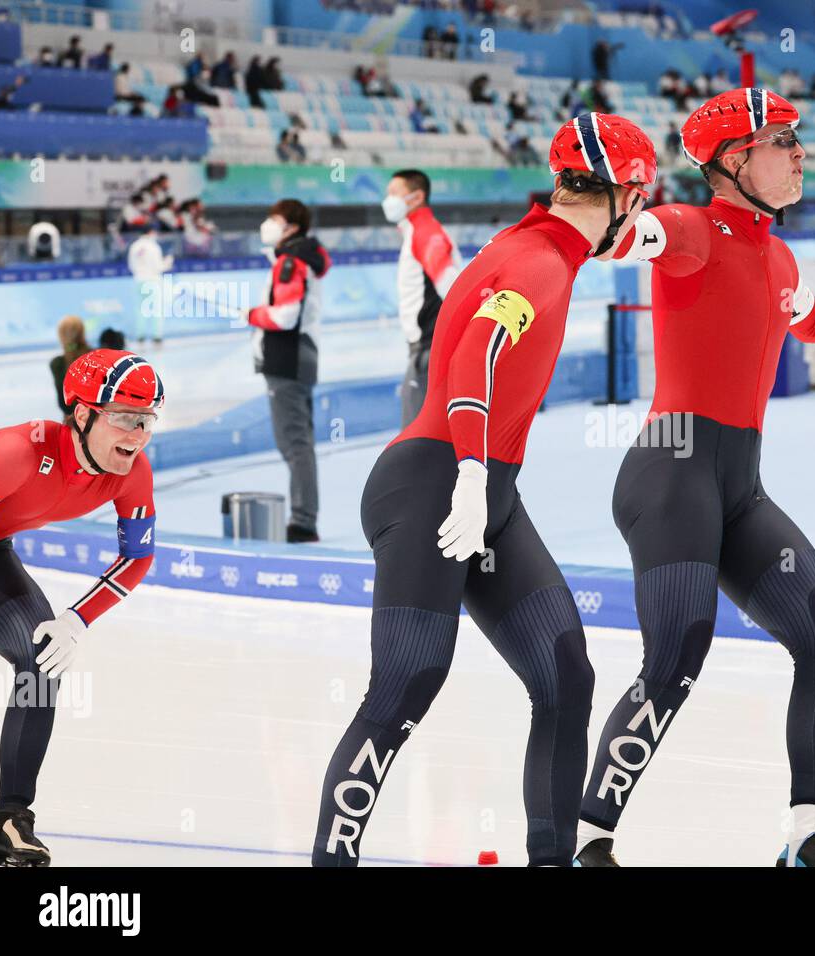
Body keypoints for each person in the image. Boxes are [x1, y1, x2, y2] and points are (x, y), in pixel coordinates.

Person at [572, 88, 815, 868]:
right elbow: (628, 238)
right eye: (784, 140)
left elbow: (811, 322)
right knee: (677, 655)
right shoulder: (690, 227)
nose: (800, 152)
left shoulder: (776, 252)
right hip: (671, 473)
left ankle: (807, 832)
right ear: (733, 160)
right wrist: (607, 220)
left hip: (738, 486)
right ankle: (588, 839)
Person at [310, 113, 656, 868]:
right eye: (640, 201)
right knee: (405, 685)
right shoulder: (536, 261)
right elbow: (473, 358)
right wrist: (471, 471)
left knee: (566, 676)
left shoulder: (544, 246)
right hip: (437, 481)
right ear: (625, 194)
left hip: (481, 489)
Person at [0, 349, 164, 866]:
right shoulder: (20, 452)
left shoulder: (131, 472)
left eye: (147, 421)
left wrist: (75, 619)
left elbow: (139, 554)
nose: (136, 436)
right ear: (83, 415)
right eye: (125, 420)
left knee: (40, 659)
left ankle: (11, 821)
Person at [247, 200, 330, 543]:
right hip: (298, 356)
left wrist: (250, 315)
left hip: (287, 358)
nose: (267, 224)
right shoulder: (301, 259)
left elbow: (284, 316)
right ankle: (304, 516)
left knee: (294, 443)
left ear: (292, 226)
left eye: (274, 219)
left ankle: (303, 521)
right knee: (298, 442)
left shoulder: (290, 262)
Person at [383, 169, 460, 426]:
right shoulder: (417, 231)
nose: (388, 200)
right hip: (427, 348)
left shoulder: (425, 232)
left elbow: (451, 285)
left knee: (416, 434)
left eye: (394, 193)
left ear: (416, 197)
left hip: (430, 348)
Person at [48, 315, 92, 415]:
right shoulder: (98, 357)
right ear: (83, 333)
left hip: (72, 423)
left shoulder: (57, 364)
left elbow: (63, 404)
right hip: (98, 421)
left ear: (61, 336)